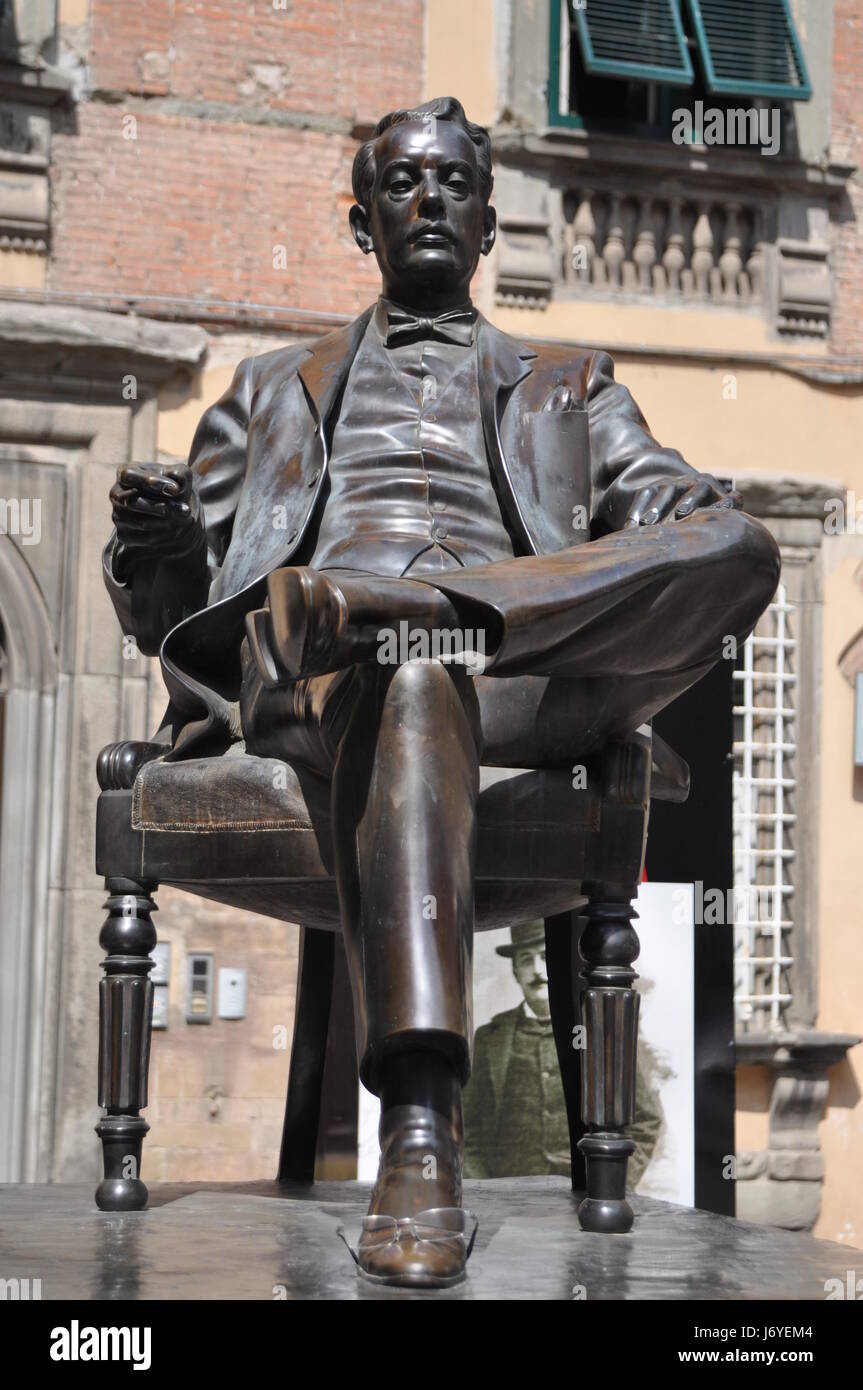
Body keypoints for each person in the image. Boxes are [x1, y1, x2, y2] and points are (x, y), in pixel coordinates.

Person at [105, 96, 779, 1287]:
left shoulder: (571, 384)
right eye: (403, 184)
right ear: (362, 222)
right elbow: (179, 617)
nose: (429, 200)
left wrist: (678, 516)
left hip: (517, 677)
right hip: (316, 678)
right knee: (409, 675)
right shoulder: (270, 389)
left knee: (744, 546)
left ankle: (431, 612)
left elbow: (673, 505)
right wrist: (155, 550)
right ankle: (420, 1136)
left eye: (454, 184)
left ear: (486, 221)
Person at [464, 922, 662, 1183]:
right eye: (526, 960)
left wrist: (613, 1184)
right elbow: (467, 1130)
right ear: (515, 972)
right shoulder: (490, 1038)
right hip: (510, 1199)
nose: (536, 970)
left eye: (545, 957)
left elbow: (647, 1121)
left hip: (583, 1196)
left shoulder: (600, 1029)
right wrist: (486, 1188)